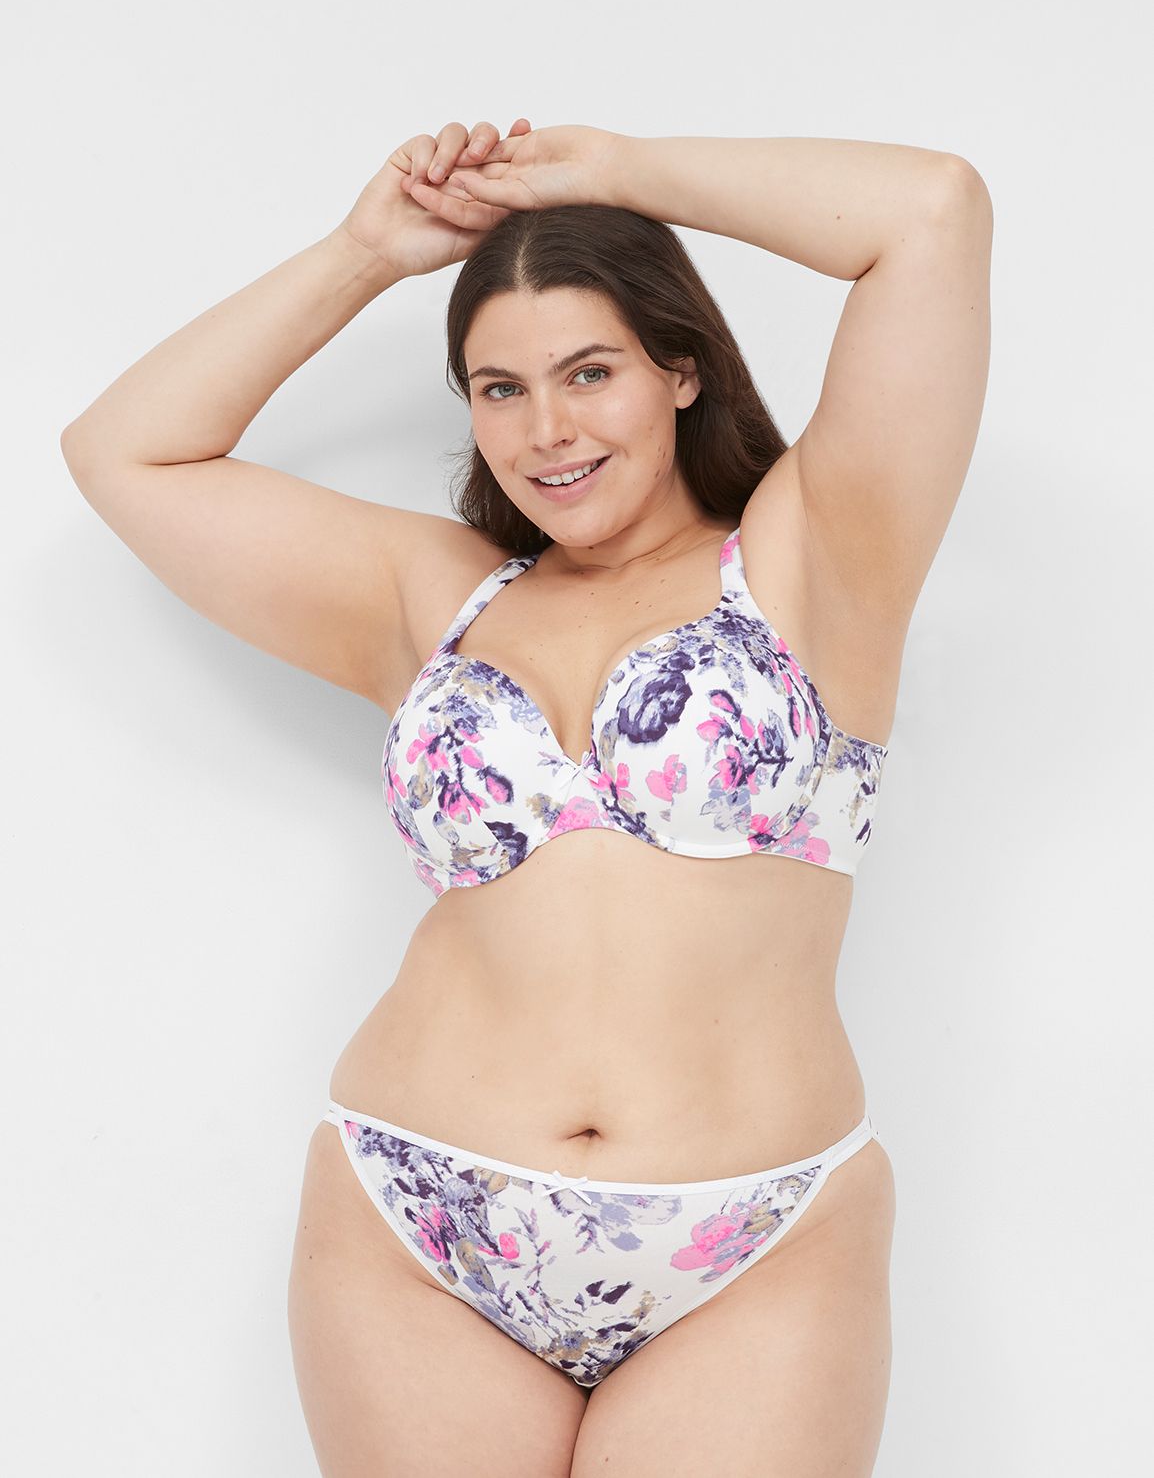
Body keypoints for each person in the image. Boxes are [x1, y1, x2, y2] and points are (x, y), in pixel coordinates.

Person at [60, 118, 993, 1475]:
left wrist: (606, 175)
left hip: (750, 1234)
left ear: (681, 369)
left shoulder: (819, 557)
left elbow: (930, 212)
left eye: (589, 372)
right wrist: (363, 252)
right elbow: (124, 453)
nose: (545, 429)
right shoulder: (431, 598)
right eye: (498, 389)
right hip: (422, 1215)